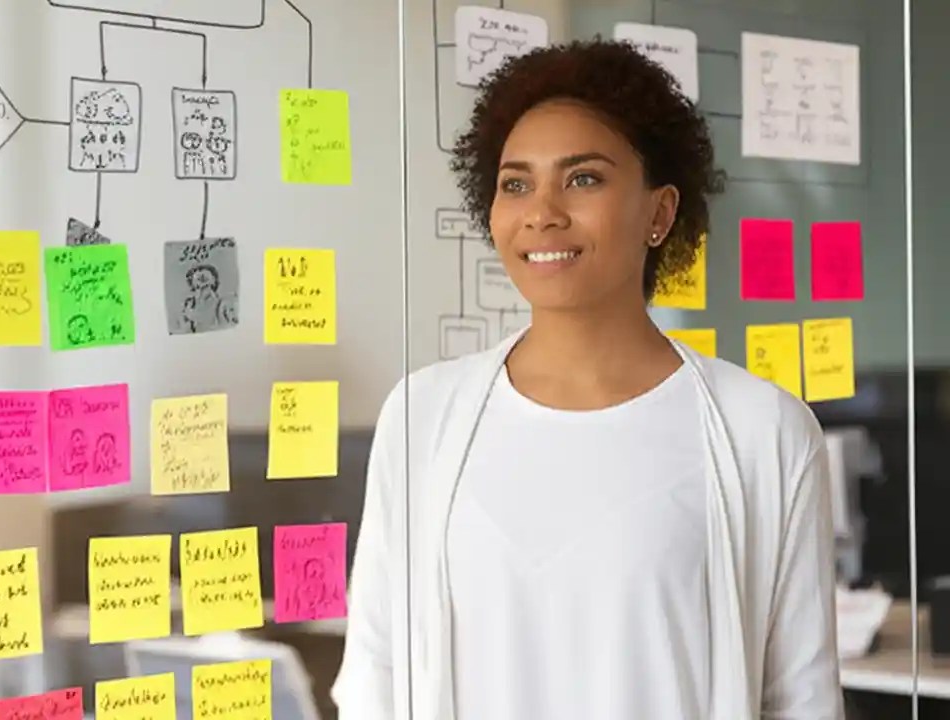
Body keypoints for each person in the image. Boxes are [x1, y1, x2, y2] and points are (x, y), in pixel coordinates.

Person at [331, 39, 842, 719]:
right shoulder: (423, 417)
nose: (542, 210)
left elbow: (801, 701)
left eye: (583, 178)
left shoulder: (763, 432)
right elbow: (375, 675)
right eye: (516, 183)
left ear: (659, 214)